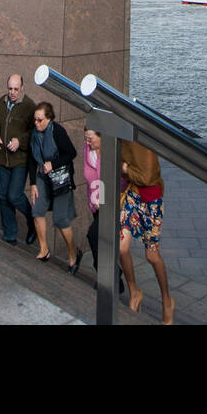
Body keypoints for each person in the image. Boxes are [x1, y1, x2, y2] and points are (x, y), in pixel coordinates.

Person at [119, 139, 175, 324]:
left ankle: (167, 299)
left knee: (152, 255)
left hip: (152, 199)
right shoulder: (124, 133)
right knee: (121, 246)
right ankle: (134, 291)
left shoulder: (143, 139)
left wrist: (127, 170)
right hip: (133, 194)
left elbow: (148, 176)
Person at [28, 102, 82, 273]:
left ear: (49, 118)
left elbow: (71, 153)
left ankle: (73, 253)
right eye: (35, 120)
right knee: (37, 210)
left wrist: (54, 163)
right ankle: (44, 249)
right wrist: (33, 184)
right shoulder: (34, 134)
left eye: (40, 120)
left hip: (60, 179)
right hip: (43, 177)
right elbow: (31, 158)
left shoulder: (57, 131)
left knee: (60, 219)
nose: (36, 123)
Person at [0, 72, 37, 247]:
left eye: (16, 89)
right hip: (4, 157)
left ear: (22, 88)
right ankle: (9, 234)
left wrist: (20, 141)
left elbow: (35, 132)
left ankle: (32, 219)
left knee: (14, 195)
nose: (13, 92)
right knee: (3, 195)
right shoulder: (1, 102)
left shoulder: (29, 106)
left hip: (20, 159)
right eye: (10, 89)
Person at [83, 126, 125, 294]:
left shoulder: (113, 150)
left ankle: (111, 276)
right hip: (95, 204)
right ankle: (112, 279)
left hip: (112, 204)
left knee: (93, 235)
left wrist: (108, 199)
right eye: (86, 138)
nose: (87, 142)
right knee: (102, 241)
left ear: (102, 136)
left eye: (90, 138)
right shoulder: (88, 149)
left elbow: (122, 181)